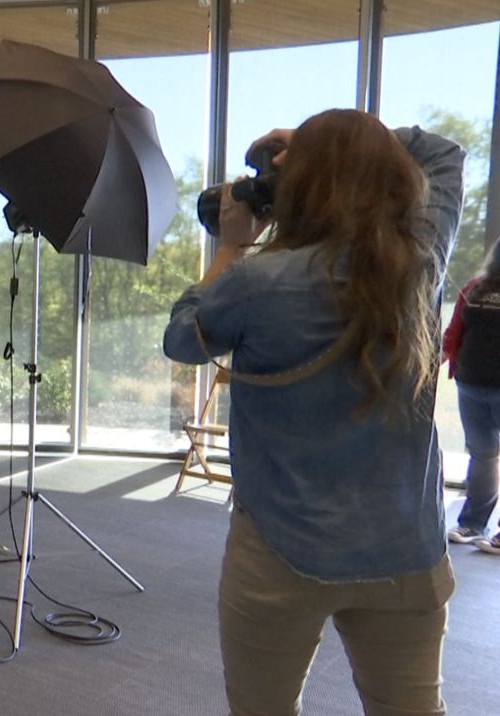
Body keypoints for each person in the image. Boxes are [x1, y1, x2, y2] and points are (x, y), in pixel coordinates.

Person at [163, 109, 465, 716]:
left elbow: (182, 339)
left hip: (279, 547)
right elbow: (443, 153)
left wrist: (231, 245)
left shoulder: (257, 280)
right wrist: (328, 144)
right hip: (403, 547)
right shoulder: (420, 260)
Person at [442, 237, 500, 554]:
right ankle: (473, 524)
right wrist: (434, 360)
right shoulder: (474, 288)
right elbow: (455, 333)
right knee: (482, 455)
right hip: (471, 386)